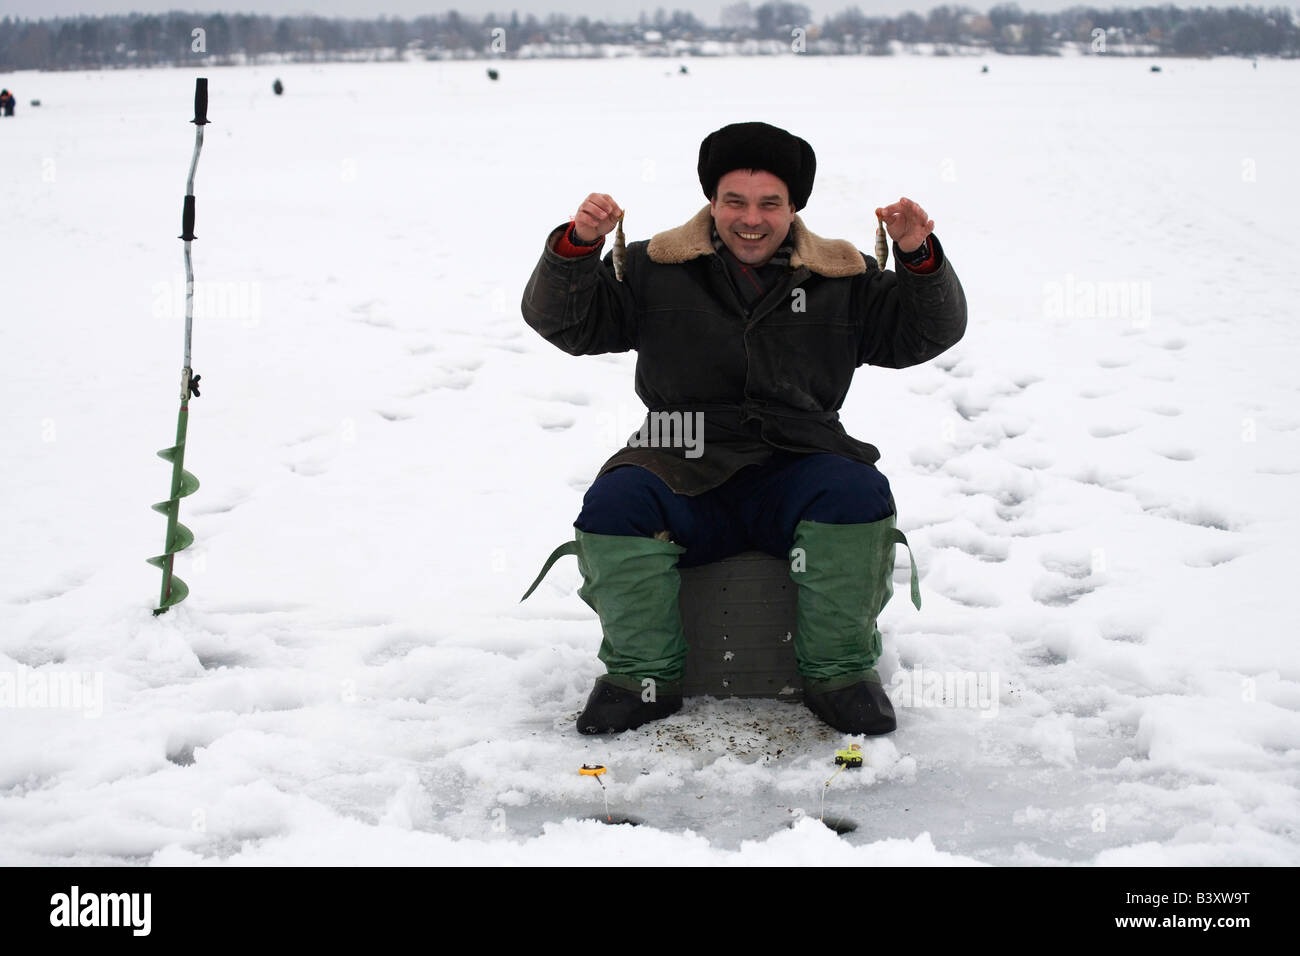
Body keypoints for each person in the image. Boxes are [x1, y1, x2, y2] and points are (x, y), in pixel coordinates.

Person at [520, 121, 967, 736]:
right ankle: (642, 678)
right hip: (678, 455)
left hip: (801, 456)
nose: (749, 219)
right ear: (712, 201)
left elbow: (923, 332)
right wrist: (577, 246)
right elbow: (570, 324)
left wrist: (918, 256)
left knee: (858, 493)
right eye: (734, 200)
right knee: (614, 502)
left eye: (769, 204)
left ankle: (838, 676)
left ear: (794, 208)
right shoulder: (654, 266)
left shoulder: (841, 275)